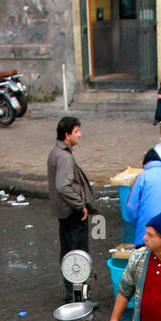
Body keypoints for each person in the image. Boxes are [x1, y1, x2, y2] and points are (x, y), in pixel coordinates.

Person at [47, 116, 100, 297]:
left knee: (68, 252)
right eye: (76, 131)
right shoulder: (64, 157)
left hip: (64, 213)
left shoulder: (56, 152)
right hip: (72, 213)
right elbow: (63, 186)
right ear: (67, 134)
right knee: (78, 255)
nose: (80, 134)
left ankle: (71, 292)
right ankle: (78, 296)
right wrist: (80, 205)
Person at [122, 149, 161, 246]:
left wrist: (141, 226)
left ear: (144, 165)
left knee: (148, 260)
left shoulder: (142, 177)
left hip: (149, 237)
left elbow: (131, 208)